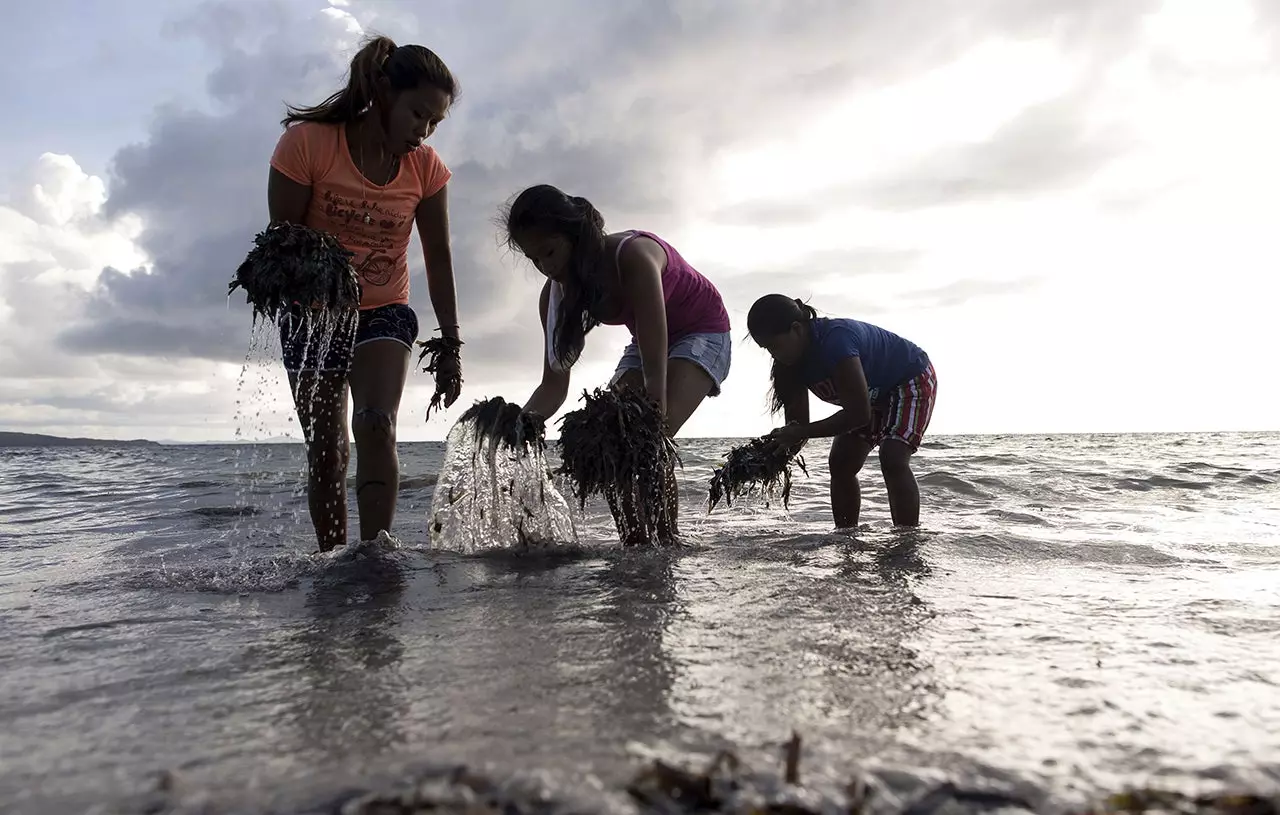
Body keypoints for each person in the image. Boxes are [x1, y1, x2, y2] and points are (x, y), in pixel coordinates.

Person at [266, 35, 464, 552]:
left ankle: (376, 556)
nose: (422, 132)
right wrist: (316, 284)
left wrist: (451, 344)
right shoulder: (307, 144)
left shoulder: (426, 169)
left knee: (376, 423)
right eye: (416, 114)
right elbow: (282, 243)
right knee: (328, 451)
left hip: (385, 310)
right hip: (313, 315)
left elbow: (439, 258)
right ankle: (333, 559)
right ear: (383, 92)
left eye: (434, 123)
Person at [505, 184, 732, 545]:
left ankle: (666, 544)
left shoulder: (633, 256)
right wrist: (516, 427)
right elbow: (552, 387)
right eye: (535, 260)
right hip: (646, 338)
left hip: (701, 330)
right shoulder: (554, 294)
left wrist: (652, 414)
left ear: (574, 235)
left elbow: (655, 375)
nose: (546, 267)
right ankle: (634, 544)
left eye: (549, 252)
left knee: (646, 439)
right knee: (606, 440)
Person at [746, 294, 937, 528]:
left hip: (908, 378)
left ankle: (906, 542)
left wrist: (798, 432)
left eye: (774, 346)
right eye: (767, 349)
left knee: (893, 457)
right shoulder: (789, 366)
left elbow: (858, 414)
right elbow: (798, 429)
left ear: (796, 329)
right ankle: (846, 538)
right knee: (841, 463)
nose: (773, 354)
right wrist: (767, 458)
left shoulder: (836, 342)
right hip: (868, 397)